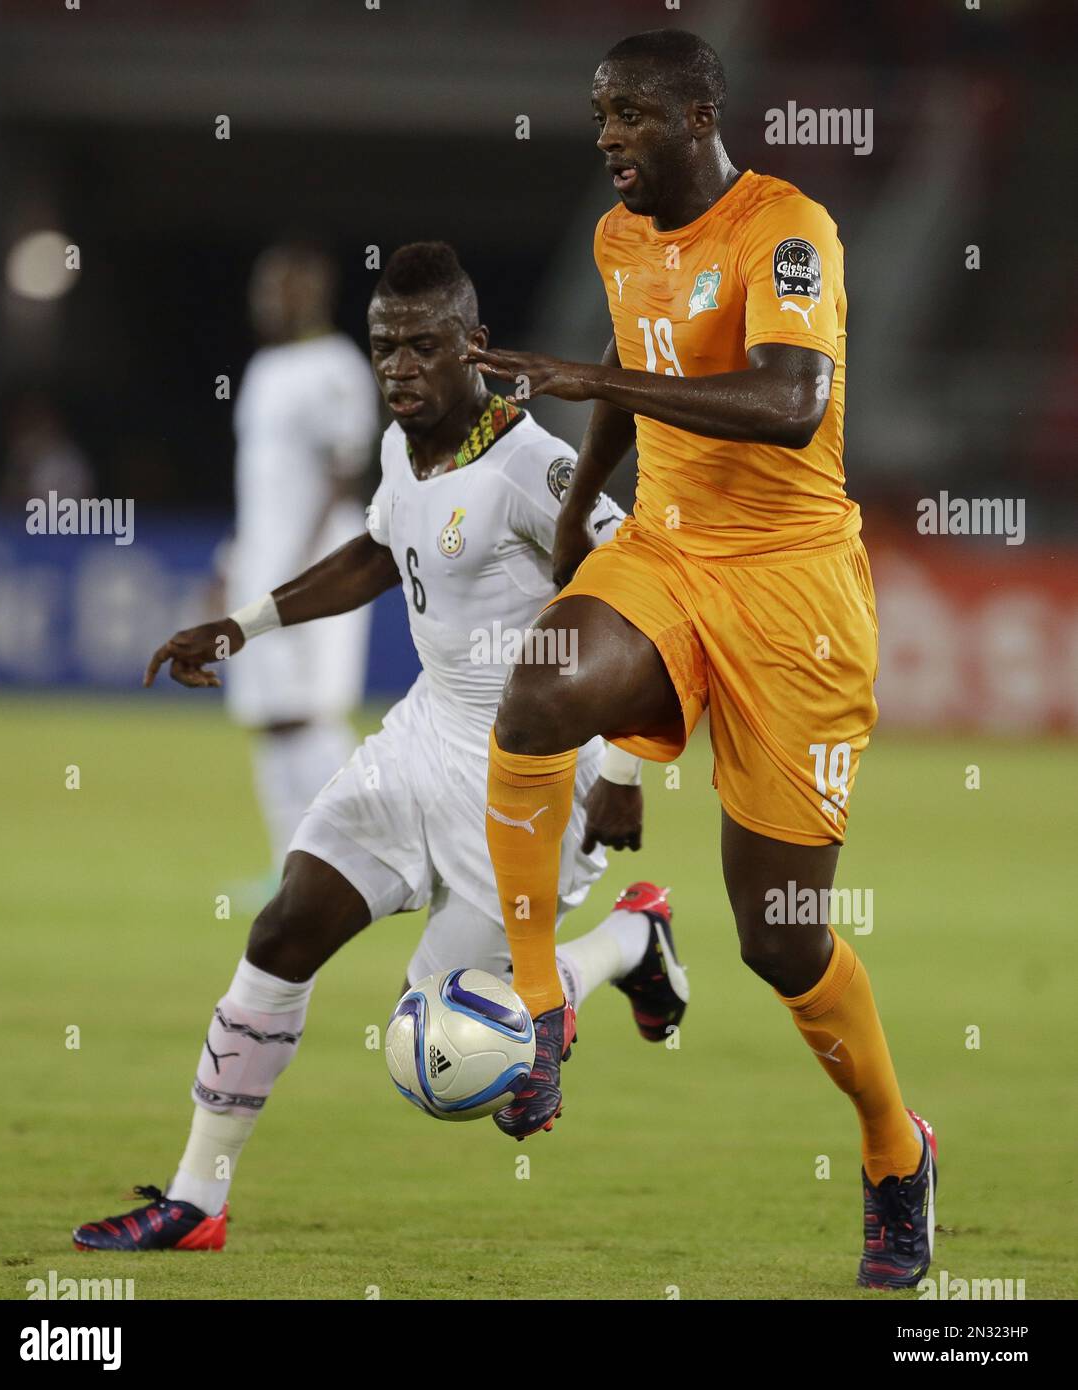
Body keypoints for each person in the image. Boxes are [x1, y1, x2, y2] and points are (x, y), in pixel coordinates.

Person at [72, 242, 688, 1254]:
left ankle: (632, 941)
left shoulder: (540, 471)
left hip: (531, 783)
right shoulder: (409, 445)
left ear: (474, 348)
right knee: (282, 931)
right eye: (384, 346)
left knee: (446, 1044)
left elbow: (648, 614)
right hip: (419, 739)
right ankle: (197, 1197)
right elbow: (376, 548)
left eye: (422, 346)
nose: (398, 367)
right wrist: (241, 626)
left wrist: (622, 770)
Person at [462, 30, 936, 1291]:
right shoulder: (624, 240)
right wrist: (574, 527)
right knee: (539, 690)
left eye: (628, 113)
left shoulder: (788, 232)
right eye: (597, 112)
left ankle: (895, 1151)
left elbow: (788, 406)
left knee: (780, 938)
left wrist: (576, 375)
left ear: (699, 113)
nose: (607, 134)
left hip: (794, 595)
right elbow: (634, 375)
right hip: (669, 550)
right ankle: (538, 1005)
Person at [226, 243, 379, 876]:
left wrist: (305, 567)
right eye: (262, 287)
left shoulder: (335, 366)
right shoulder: (264, 367)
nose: (264, 300)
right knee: (268, 717)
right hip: (261, 564)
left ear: (310, 292)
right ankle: (289, 868)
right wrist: (235, 564)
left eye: (278, 288)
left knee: (308, 713)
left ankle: (370, 848)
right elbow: (262, 485)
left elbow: (345, 471)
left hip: (313, 569)